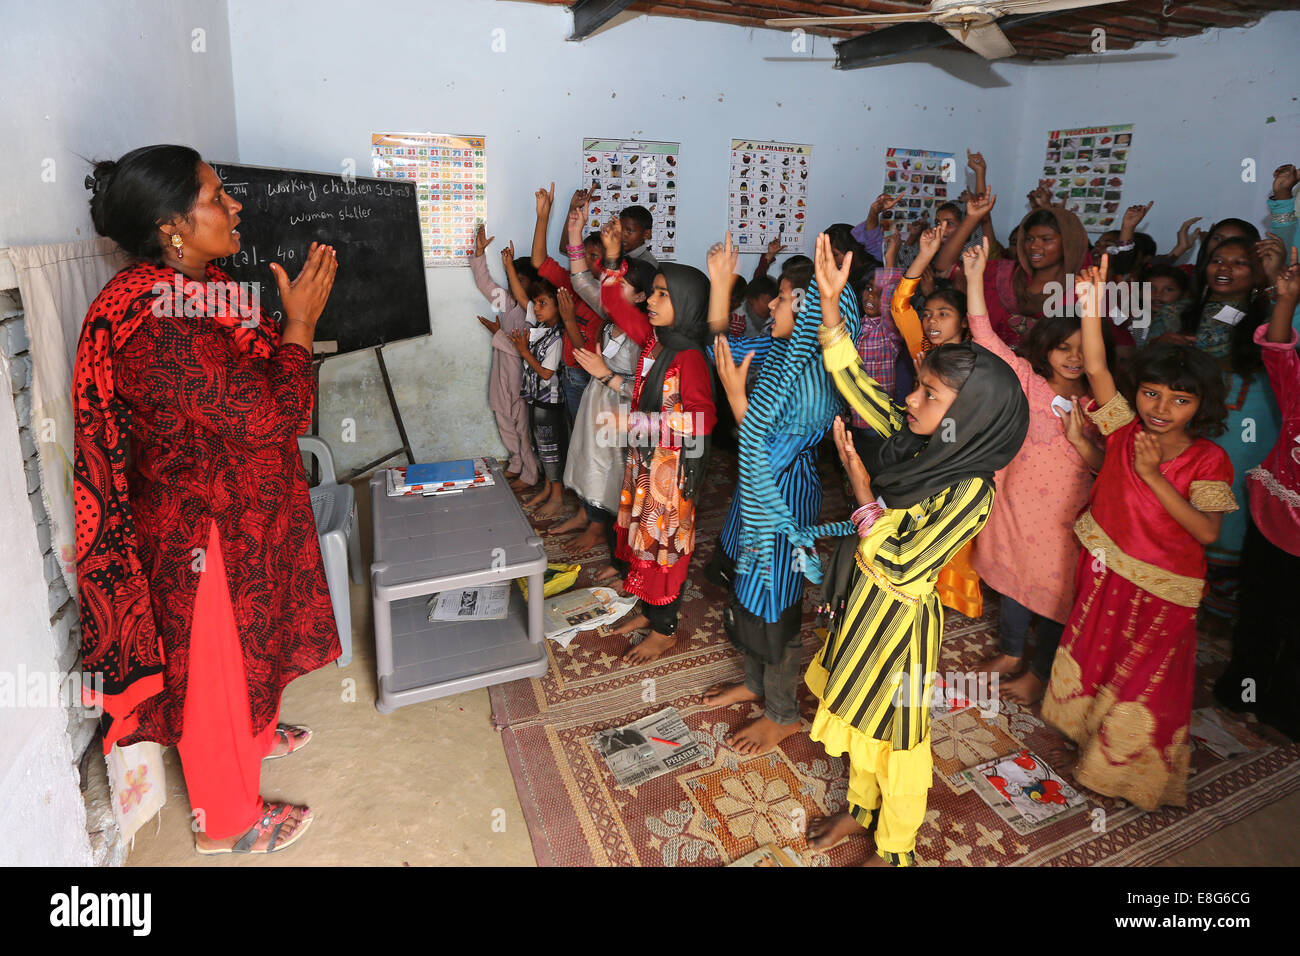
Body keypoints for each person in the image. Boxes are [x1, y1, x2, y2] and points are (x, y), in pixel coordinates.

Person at [74, 145, 339, 854]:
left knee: (253, 651)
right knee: (215, 673)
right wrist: (301, 326)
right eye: (218, 198)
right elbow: (268, 415)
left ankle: (252, 732)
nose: (235, 207)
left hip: (248, 513)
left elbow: (260, 394)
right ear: (173, 228)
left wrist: (289, 332)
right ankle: (229, 822)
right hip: (203, 535)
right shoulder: (156, 324)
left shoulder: (203, 286)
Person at [804, 234, 1028, 866]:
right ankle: (860, 811)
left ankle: (895, 848)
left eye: (929, 394)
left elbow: (901, 562)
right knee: (856, 718)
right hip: (864, 607)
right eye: (921, 387)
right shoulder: (921, 439)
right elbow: (856, 385)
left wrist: (860, 487)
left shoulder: (969, 489)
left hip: (902, 626)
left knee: (900, 741)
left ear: (973, 418)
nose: (910, 398)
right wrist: (829, 306)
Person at [1042, 257, 1237, 811]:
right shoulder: (1124, 425)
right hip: (1107, 567)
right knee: (1100, 660)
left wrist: (1153, 475)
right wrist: (1091, 306)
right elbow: (1098, 368)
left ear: (1201, 407)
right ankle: (1086, 736)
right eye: (1152, 394)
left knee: (1144, 681)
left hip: (1165, 588)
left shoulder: (1208, 459)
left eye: (1180, 401)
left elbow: (1204, 531)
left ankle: (1126, 772)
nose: (1160, 409)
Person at [700, 233, 862, 756]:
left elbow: (764, 455)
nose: (772, 304)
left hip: (782, 500)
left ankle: (783, 713)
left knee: (776, 602)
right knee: (748, 591)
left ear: (815, 310)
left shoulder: (814, 385)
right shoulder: (777, 347)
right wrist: (721, 286)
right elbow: (721, 350)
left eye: (786, 298)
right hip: (756, 501)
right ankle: (753, 682)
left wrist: (736, 399)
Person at [962, 238, 1109, 703]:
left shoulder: (1102, 404)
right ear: (1046, 349)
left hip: (1065, 519)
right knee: (1012, 577)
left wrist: (1082, 441)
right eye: (1063, 348)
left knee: (1056, 594)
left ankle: (1040, 672)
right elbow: (984, 337)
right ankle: (1009, 652)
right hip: (1015, 506)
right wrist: (973, 277)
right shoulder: (1028, 380)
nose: (1073, 357)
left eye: (1082, 348)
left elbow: (1111, 466)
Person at [597, 220, 716, 663]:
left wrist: (647, 426)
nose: (650, 299)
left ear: (686, 303)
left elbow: (703, 421)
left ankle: (665, 628)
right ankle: (649, 611)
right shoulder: (655, 341)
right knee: (642, 540)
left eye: (663, 294)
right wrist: (611, 259)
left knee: (665, 546)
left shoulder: (688, 356)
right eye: (654, 291)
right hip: (647, 462)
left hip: (670, 471)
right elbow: (615, 302)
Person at [1214, 247, 1300, 738]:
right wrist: (1284, 300)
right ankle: (1240, 686)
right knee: (1259, 613)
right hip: (1274, 521)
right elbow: (1280, 351)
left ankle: (1286, 707)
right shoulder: (1295, 396)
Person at [934, 195, 1090, 348]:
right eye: (1029, 239)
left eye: (1046, 239)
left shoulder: (1082, 288)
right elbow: (944, 266)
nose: (1034, 246)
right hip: (993, 368)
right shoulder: (1002, 274)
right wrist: (971, 218)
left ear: (1068, 244)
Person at [470, 225, 539, 491]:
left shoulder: (536, 314)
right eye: (513, 281)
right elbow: (485, 284)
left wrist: (497, 334)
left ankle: (530, 474)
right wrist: (479, 254)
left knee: (523, 428)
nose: (515, 286)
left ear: (532, 284)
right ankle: (515, 463)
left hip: (521, 379)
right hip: (501, 373)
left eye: (521, 282)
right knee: (502, 418)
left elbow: (525, 352)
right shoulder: (508, 304)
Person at [510, 277, 568, 520]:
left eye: (543, 303)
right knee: (541, 447)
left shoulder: (557, 337)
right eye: (535, 303)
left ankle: (557, 497)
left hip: (550, 402)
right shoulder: (542, 331)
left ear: (559, 306)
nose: (536, 308)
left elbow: (546, 372)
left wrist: (523, 351)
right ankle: (547, 489)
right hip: (537, 399)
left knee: (551, 449)